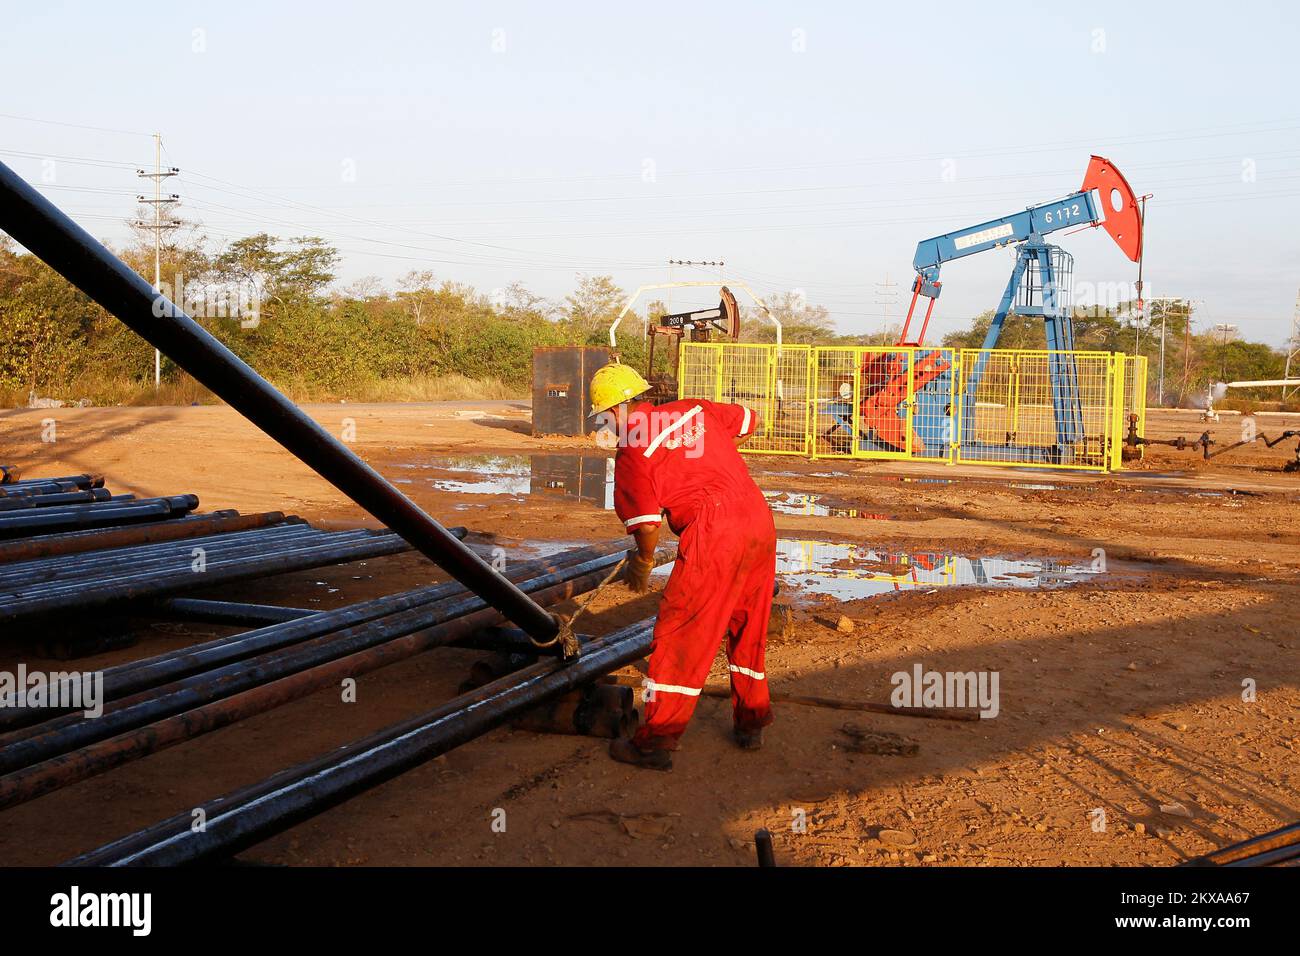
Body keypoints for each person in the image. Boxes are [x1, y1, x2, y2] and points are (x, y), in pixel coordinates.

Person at [587, 362, 777, 771]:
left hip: (715, 533)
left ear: (619, 410)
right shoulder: (693, 409)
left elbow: (646, 524)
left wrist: (642, 561)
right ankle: (751, 723)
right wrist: (708, 457)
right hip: (759, 519)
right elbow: (749, 420)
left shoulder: (633, 449)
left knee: (681, 633)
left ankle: (655, 742)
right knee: (748, 623)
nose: (606, 425)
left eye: (604, 416)